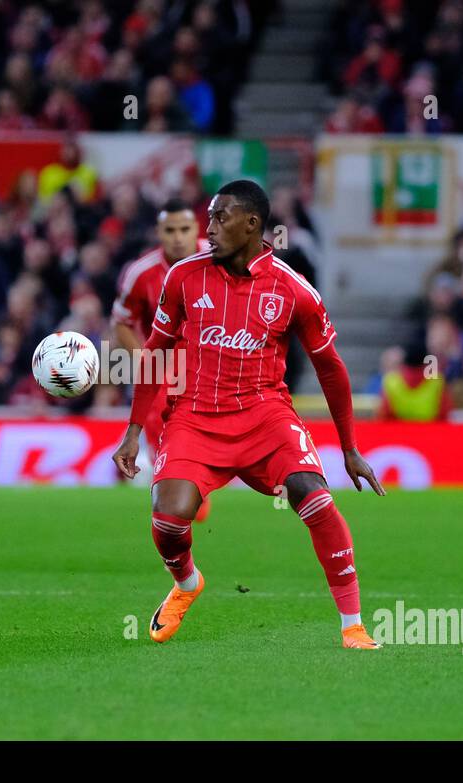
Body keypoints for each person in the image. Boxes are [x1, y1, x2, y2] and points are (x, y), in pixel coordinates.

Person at [111, 180, 386, 650]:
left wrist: (350, 447)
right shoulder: (183, 278)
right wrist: (134, 431)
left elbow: (332, 369)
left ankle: (353, 625)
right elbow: (154, 353)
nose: (209, 228)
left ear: (252, 225)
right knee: (168, 518)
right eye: (210, 217)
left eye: (220, 218)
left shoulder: (294, 290)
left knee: (314, 497)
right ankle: (187, 583)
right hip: (195, 417)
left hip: (265, 416)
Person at [109, 197, 212, 519]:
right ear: (159, 232)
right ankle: (176, 485)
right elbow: (121, 322)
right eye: (170, 230)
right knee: (161, 418)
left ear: (197, 229)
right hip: (167, 364)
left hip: (213, 360)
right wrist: (146, 360)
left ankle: (193, 481)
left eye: (184, 229)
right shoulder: (141, 273)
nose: (178, 237)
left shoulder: (219, 259)